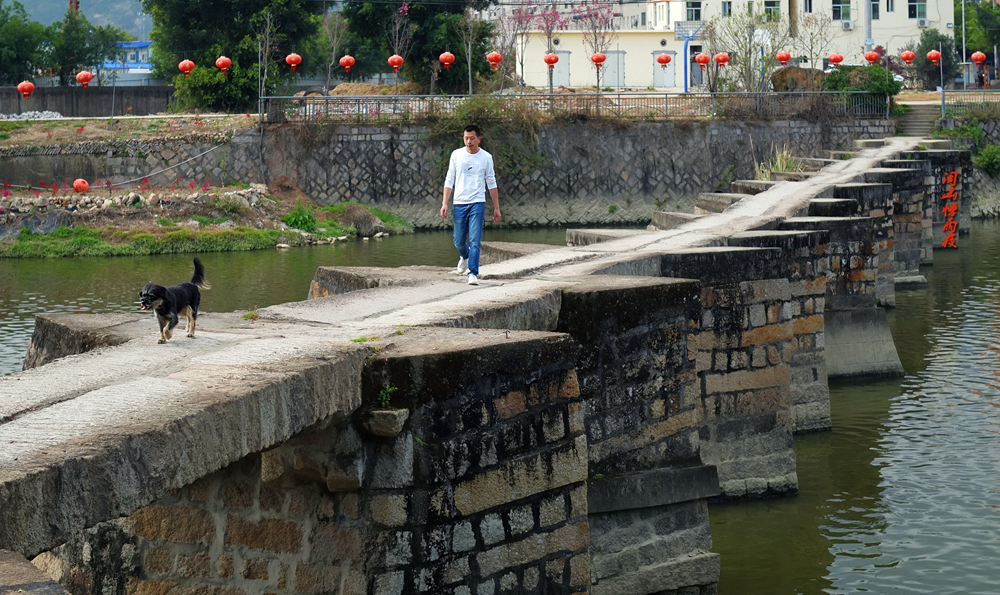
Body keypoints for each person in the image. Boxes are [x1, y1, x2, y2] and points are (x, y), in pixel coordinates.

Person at [440, 125, 500, 285]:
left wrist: (496, 207)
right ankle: (464, 256)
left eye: (472, 138)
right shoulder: (456, 155)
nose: (469, 141)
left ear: (479, 139)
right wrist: (445, 203)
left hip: (477, 202)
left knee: (475, 239)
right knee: (458, 240)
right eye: (466, 138)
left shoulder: (486, 157)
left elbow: (491, 182)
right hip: (459, 202)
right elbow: (449, 179)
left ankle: (473, 272)